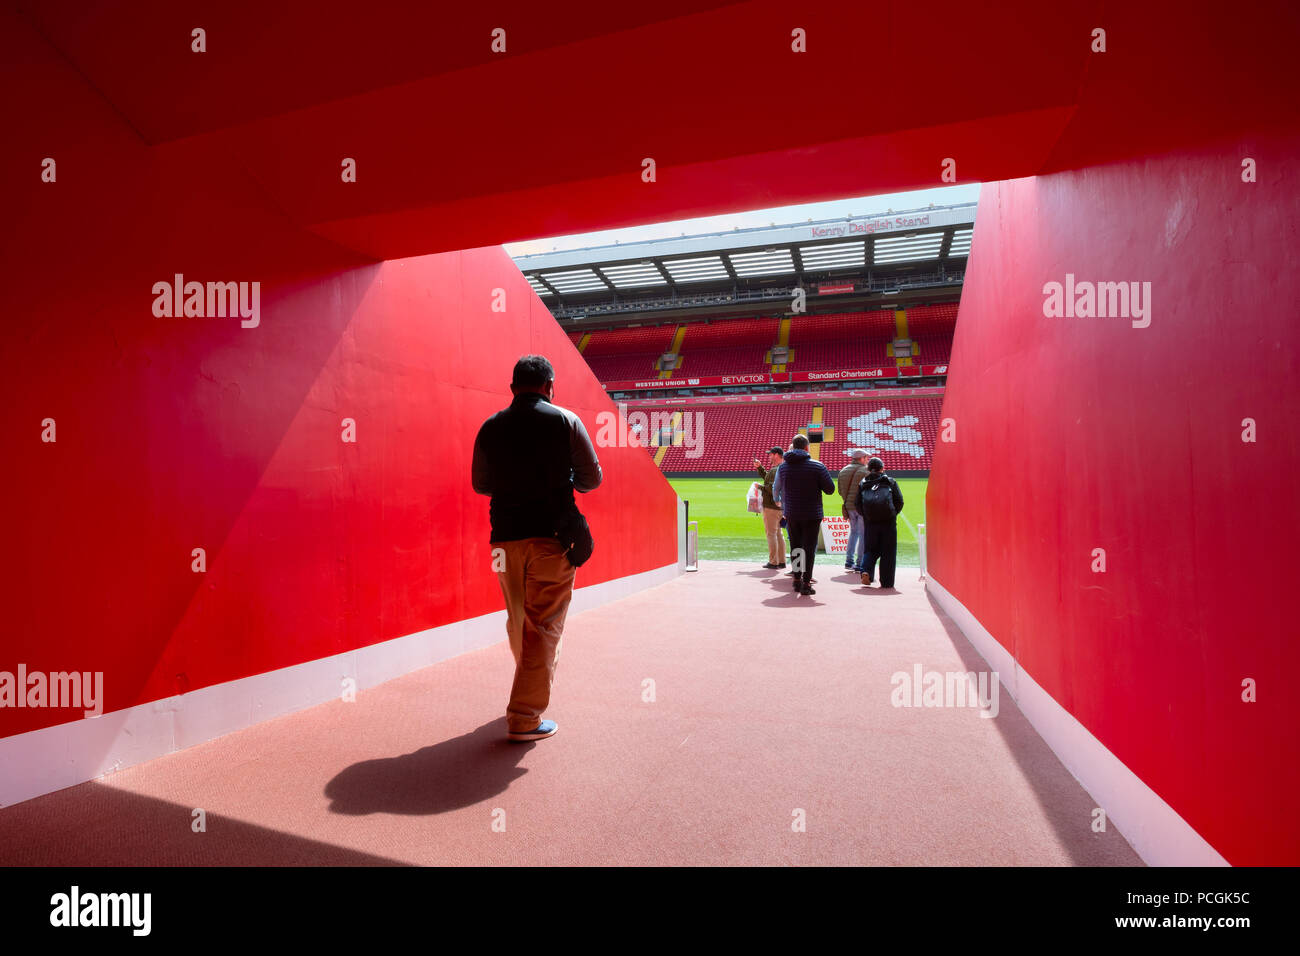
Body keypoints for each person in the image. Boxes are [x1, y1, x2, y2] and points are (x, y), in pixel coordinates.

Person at [471, 355, 602, 741]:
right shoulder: (565, 420)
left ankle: (526, 689)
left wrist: (515, 486)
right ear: (550, 385)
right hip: (551, 536)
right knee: (543, 625)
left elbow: (481, 484)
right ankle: (525, 716)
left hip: (503, 539)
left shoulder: (490, 426)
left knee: (518, 619)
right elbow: (591, 479)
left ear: (513, 388)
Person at [772, 434, 834, 595]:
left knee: (796, 547)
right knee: (808, 548)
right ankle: (806, 583)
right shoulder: (818, 466)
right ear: (807, 448)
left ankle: (796, 579)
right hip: (812, 513)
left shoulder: (784, 467)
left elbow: (780, 488)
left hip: (792, 512)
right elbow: (830, 489)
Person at [857, 457, 904, 590]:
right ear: (882, 468)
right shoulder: (890, 481)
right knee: (888, 552)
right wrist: (892, 514)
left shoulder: (863, 483)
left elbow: (857, 504)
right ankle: (887, 582)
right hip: (888, 523)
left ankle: (866, 571)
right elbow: (899, 501)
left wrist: (867, 516)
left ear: (868, 469)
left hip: (871, 523)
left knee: (870, 549)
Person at [837, 449, 870, 575]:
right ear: (861, 458)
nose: (867, 459)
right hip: (861, 507)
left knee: (853, 532)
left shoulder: (843, 470)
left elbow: (840, 490)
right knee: (863, 534)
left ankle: (848, 560)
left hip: (848, 506)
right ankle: (859, 562)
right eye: (866, 457)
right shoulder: (865, 471)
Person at [753, 447, 787, 569]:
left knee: (771, 534)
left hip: (771, 507)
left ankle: (773, 562)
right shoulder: (782, 468)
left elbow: (771, 487)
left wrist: (759, 487)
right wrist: (760, 468)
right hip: (781, 507)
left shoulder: (775, 469)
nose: (769, 456)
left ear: (777, 455)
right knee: (778, 534)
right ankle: (782, 560)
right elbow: (769, 478)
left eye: (771, 454)